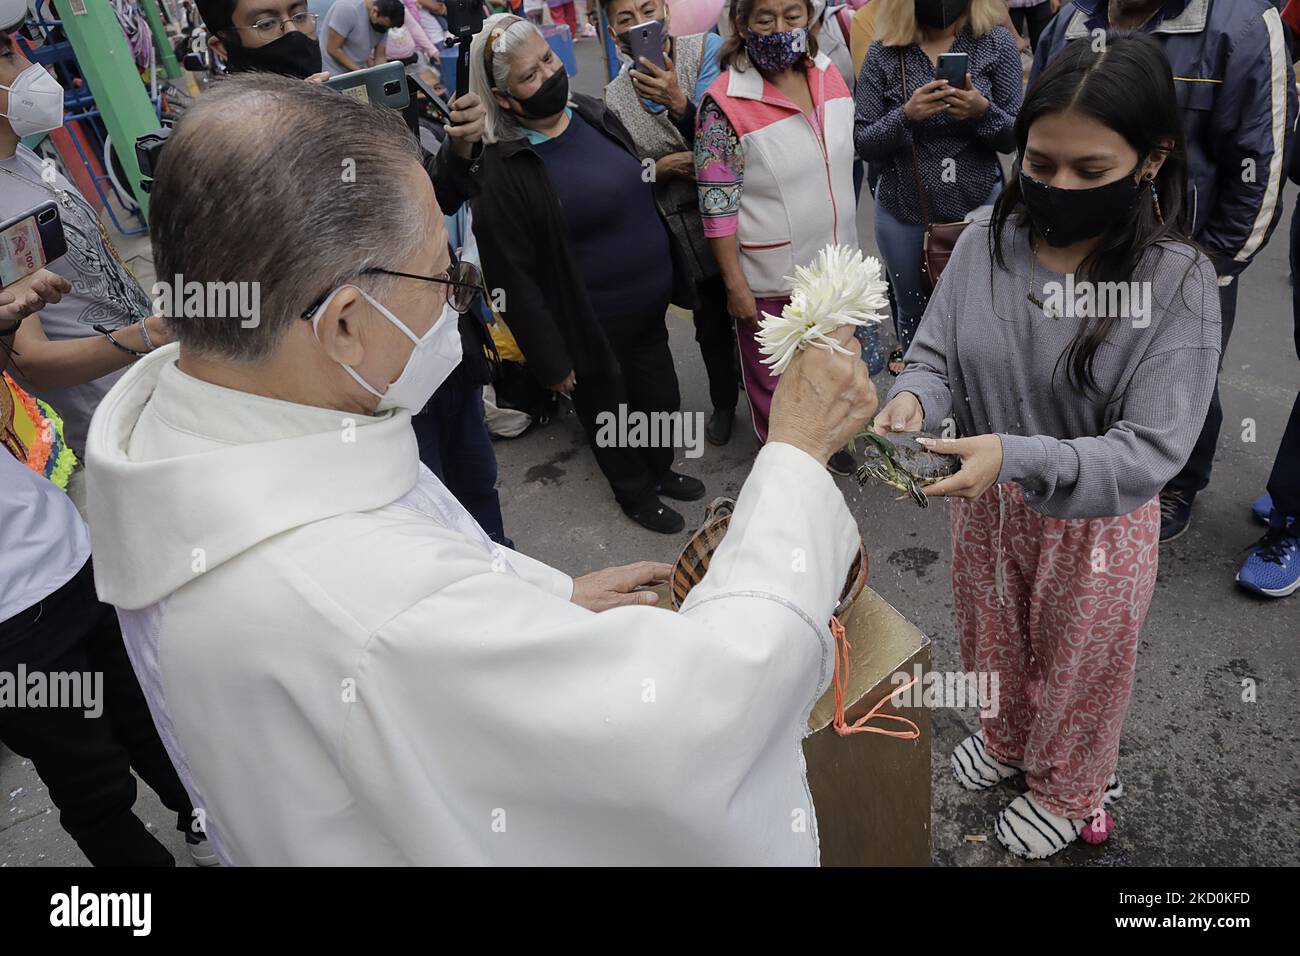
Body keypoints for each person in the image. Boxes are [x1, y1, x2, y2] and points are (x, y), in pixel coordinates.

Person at [85, 73, 882, 865]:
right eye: (444, 276)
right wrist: (799, 453)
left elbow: (413, 552)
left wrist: (539, 597)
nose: (458, 302)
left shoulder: (206, 426)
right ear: (345, 326)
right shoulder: (363, 603)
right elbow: (695, 719)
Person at [876, 33, 1220, 858]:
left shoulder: (1176, 284)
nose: (1057, 187)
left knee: (1081, 668)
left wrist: (1019, 458)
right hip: (986, 501)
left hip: (1094, 529)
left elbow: (1147, 453)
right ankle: (1008, 741)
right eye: (1041, 162)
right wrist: (914, 399)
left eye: (1089, 170)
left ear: (1150, 158)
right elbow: (935, 351)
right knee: (990, 634)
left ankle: (1069, 787)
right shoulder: (988, 239)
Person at [1031, 1, 1297, 542]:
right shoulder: (1074, 19)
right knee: (1086, 364)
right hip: (1078, 249)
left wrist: (1211, 271)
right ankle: (1087, 469)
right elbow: (1039, 129)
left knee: (1180, 380)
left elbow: (1259, 166)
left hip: (1186, 254)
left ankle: (1178, 481)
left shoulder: (1242, 29)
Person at [1, 270, 210, 867]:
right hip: (11, 619)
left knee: (152, 718)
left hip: (64, 548)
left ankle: (210, 830)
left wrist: (12, 319)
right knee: (91, 781)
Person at [470, 14, 705, 533]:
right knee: (613, 416)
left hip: (647, 308)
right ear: (504, 98)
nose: (549, 75)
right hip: (589, 328)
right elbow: (511, 277)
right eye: (529, 76)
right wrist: (550, 358)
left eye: (548, 60)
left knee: (660, 397)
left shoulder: (595, 114)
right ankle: (636, 492)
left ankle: (659, 469)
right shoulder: (504, 170)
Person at [0, 31, 171, 511]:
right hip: (117, 428)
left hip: (155, 392)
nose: (28, 65)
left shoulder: (26, 159)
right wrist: (150, 334)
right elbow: (30, 360)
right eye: (6, 55)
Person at [695, 0, 859, 473]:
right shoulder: (723, 104)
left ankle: (832, 442)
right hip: (773, 279)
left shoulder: (829, 72)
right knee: (778, 386)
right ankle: (788, 472)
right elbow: (717, 206)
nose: (781, 28)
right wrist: (735, 286)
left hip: (837, 271)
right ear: (741, 24)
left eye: (793, 15)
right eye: (765, 19)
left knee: (835, 366)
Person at [853, 0, 1022, 373]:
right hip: (903, 211)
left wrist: (982, 112)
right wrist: (907, 115)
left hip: (979, 209)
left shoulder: (995, 43)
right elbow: (864, 140)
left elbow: (1015, 136)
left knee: (981, 311)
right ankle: (919, 399)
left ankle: (972, 401)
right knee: (913, 313)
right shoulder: (885, 53)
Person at [600, 0, 739, 446]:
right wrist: (659, 170)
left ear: (664, 7)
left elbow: (734, 131)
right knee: (711, 322)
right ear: (609, 27)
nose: (641, 23)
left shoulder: (708, 51)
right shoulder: (613, 97)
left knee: (763, 310)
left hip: (742, 213)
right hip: (682, 231)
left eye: (647, 8)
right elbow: (623, 174)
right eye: (625, 18)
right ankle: (724, 401)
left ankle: (773, 397)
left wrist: (679, 103)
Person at [200, 0, 329, 76]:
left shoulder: (335, 93)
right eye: (266, 24)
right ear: (223, 46)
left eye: (299, 16)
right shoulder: (226, 119)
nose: (293, 31)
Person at [320, 0, 404, 73]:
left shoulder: (384, 20)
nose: (385, 29)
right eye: (384, 26)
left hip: (359, 68)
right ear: (375, 11)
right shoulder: (347, 8)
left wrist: (383, 75)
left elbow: (380, 56)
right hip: (333, 69)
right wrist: (360, 72)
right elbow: (333, 49)